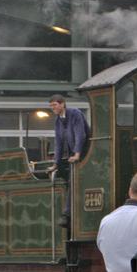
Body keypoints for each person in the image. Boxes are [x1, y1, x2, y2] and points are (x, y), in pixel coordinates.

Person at [49, 94, 90, 227]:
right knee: (63, 173)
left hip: (85, 153)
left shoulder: (75, 114)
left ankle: (67, 213)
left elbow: (81, 135)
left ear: (62, 104)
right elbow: (58, 143)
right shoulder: (58, 121)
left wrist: (77, 153)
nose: (53, 108)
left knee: (74, 179)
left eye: (54, 105)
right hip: (72, 155)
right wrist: (55, 164)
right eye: (51, 106)